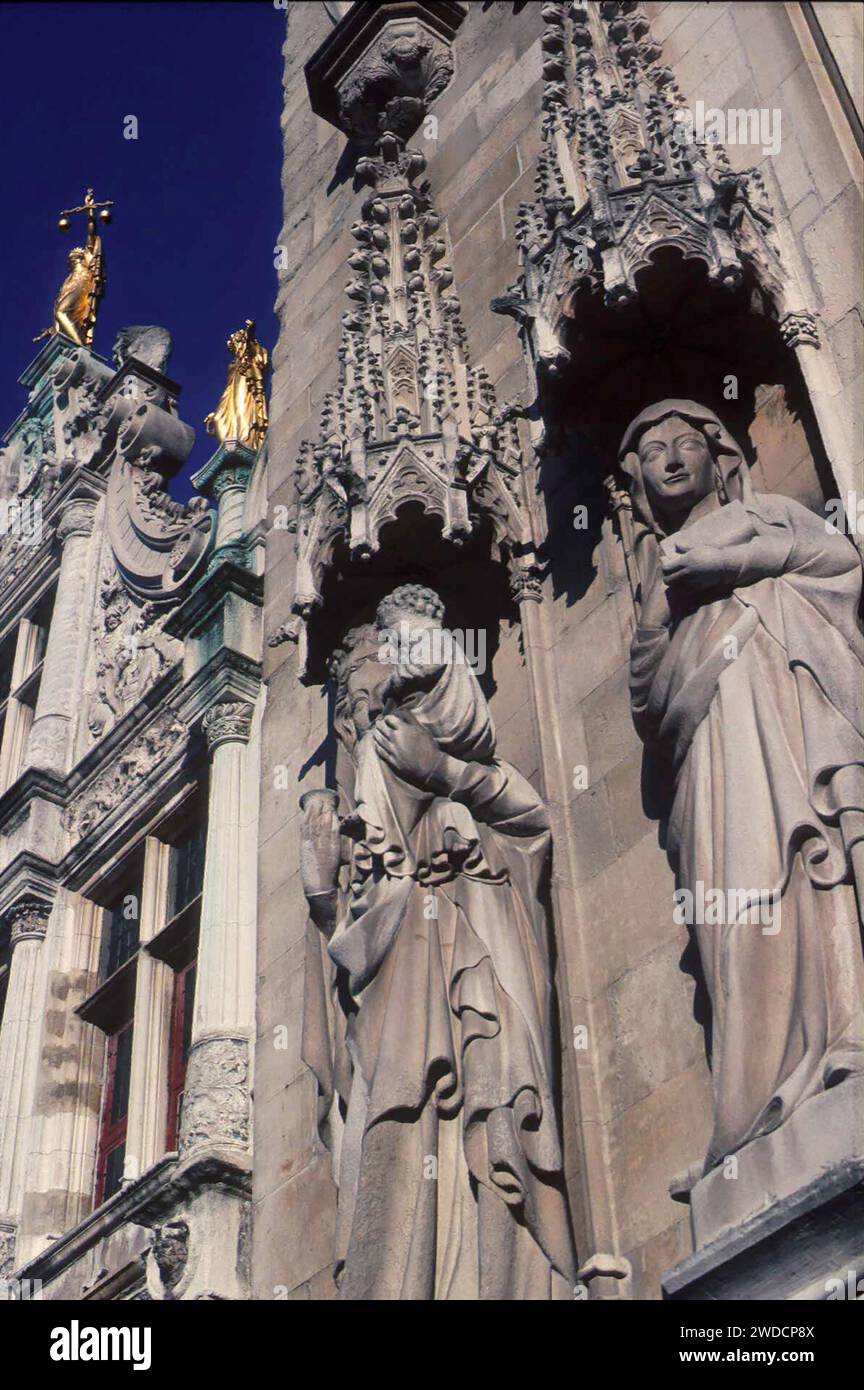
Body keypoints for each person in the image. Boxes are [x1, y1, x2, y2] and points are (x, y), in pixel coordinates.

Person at [621, 400, 864, 1176]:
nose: (669, 460)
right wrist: (666, 606)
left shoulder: (771, 518)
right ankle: (754, 1095)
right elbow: (646, 697)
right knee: (735, 911)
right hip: (713, 757)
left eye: (683, 443)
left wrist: (735, 568)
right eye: (652, 452)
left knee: (809, 869)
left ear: (716, 452)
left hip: (788, 723)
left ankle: (844, 1040)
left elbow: (841, 567)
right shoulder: (657, 579)